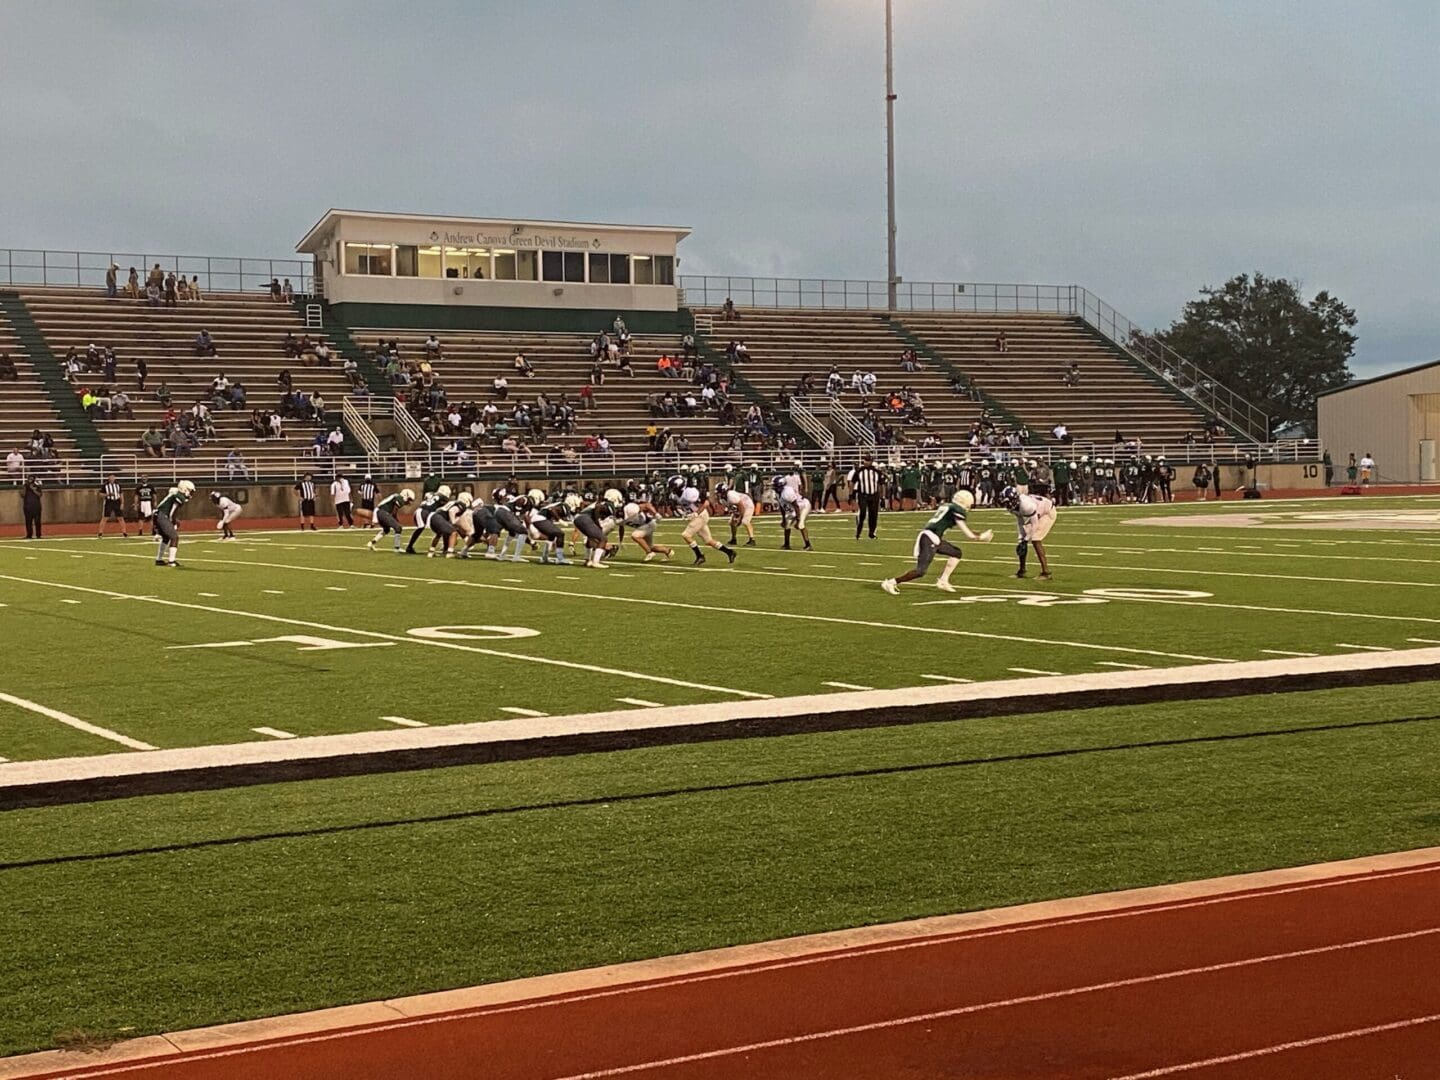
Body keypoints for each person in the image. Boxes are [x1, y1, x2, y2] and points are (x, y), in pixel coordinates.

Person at [881, 491, 993, 594]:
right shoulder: (957, 510)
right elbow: (968, 534)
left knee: (956, 553)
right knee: (920, 572)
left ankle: (943, 581)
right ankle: (891, 582)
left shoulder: (948, 506)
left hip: (934, 537)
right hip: (930, 537)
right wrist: (981, 536)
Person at [998, 485, 1056, 579]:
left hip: (1047, 512)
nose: (1007, 504)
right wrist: (1022, 538)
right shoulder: (1014, 506)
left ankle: (1046, 572)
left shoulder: (1026, 505)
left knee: (1035, 538)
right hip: (1038, 513)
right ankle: (1022, 571)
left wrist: (1026, 540)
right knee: (1021, 542)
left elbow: (1035, 524)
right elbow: (1020, 522)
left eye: (1008, 501)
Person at [152, 480, 196, 567]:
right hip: (162, 515)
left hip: (157, 514)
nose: (191, 493)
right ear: (185, 489)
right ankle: (171, 561)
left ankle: (159, 559)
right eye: (190, 490)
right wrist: (174, 521)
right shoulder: (179, 496)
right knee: (174, 537)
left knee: (166, 537)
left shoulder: (175, 493)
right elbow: (173, 511)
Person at [848, 453, 884, 540]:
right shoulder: (859, 471)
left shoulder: (877, 472)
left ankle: (871, 532)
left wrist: (882, 497)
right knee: (862, 513)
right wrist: (851, 495)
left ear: (871, 461)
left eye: (868, 460)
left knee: (873, 514)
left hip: (874, 495)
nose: (866, 462)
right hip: (863, 495)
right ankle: (858, 531)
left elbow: (881, 485)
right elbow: (852, 483)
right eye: (865, 460)